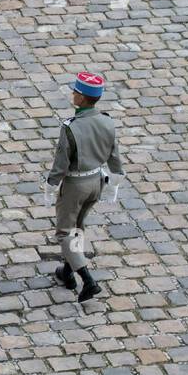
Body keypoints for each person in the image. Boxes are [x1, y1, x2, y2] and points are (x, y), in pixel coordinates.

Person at [46, 72, 123, 302]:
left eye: (76, 92)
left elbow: (60, 164)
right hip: (97, 183)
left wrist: (50, 185)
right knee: (78, 226)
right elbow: (114, 156)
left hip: (75, 185)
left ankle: (87, 279)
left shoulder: (70, 127)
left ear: (82, 98)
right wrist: (115, 180)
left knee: (64, 232)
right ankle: (67, 273)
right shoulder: (107, 121)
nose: (73, 94)